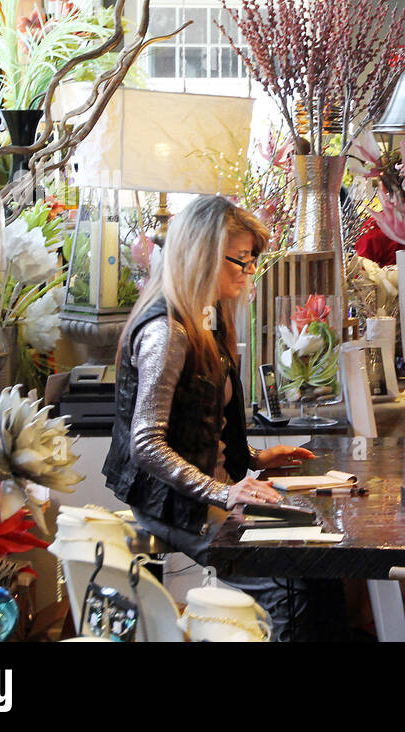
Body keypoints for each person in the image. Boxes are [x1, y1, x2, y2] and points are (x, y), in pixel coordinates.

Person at [102, 195, 344, 642]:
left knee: (322, 569)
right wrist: (223, 490)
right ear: (203, 254)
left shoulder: (205, 321)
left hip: (200, 496)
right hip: (173, 506)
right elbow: (147, 444)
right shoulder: (167, 332)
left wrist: (254, 457)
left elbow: (198, 428)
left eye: (252, 260)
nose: (250, 271)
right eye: (243, 260)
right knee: (290, 586)